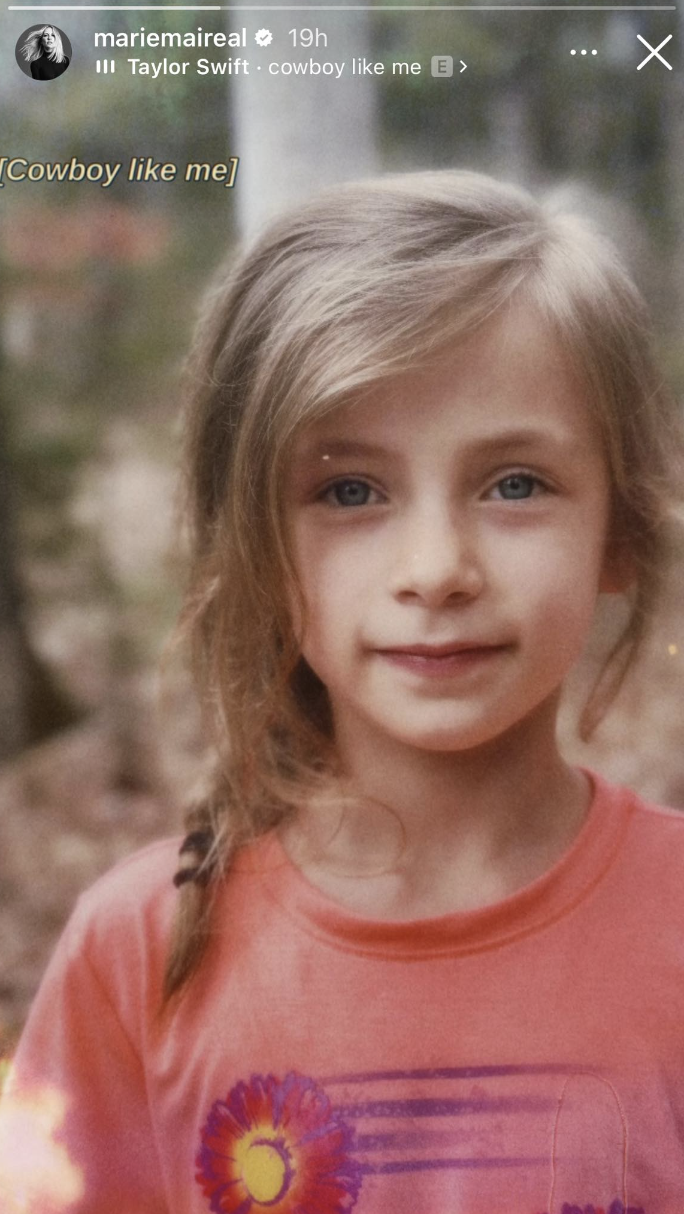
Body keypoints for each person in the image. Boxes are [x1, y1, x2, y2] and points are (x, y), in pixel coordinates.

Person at [2, 171, 683, 1214]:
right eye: (349, 491)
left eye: (515, 483)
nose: (437, 568)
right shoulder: (132, 953)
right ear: (253, 545)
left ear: (620, 529)